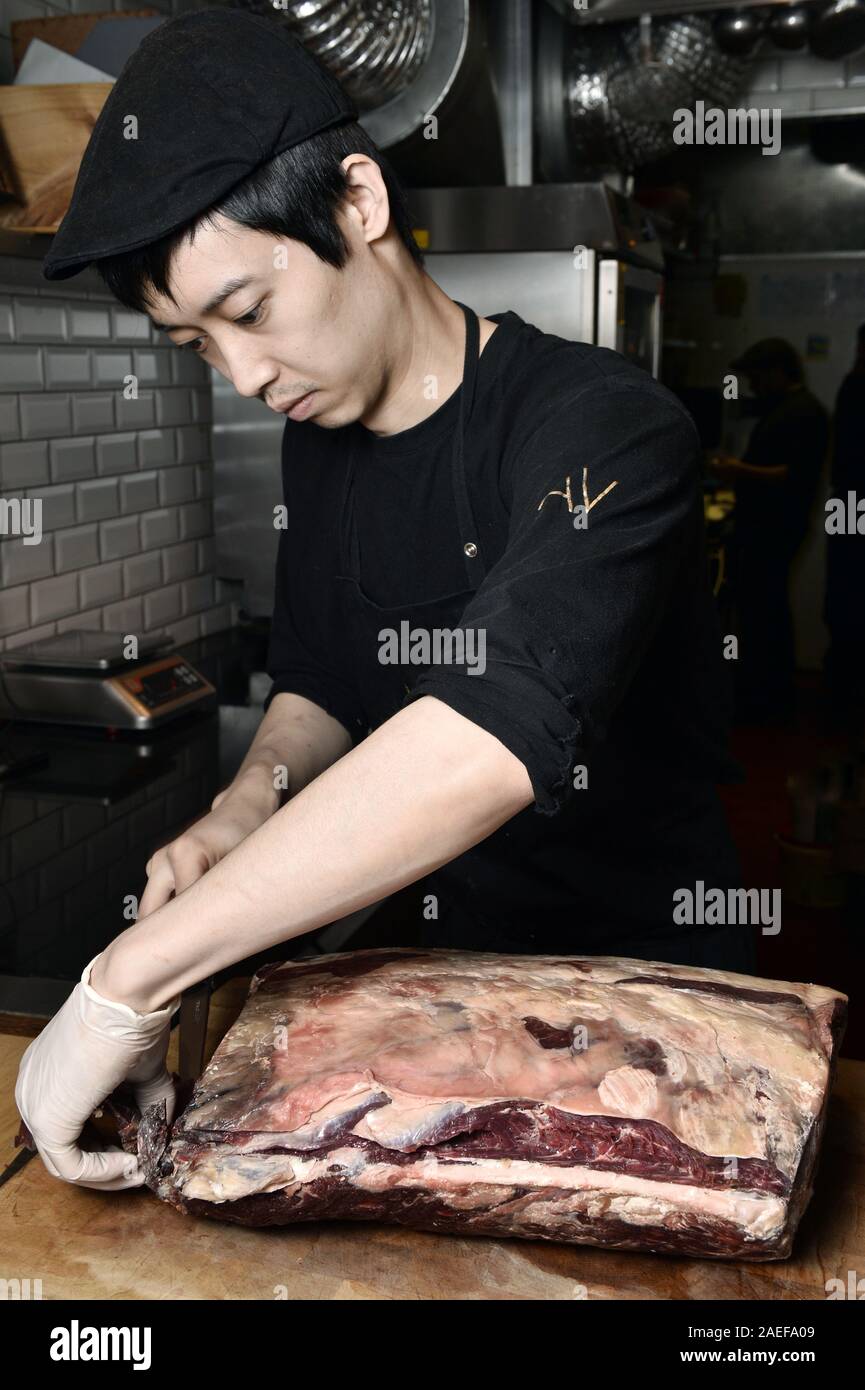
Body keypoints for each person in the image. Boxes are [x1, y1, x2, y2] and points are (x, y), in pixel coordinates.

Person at [16, 9, 753, 1193]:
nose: (246, 375)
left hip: (635, 1011)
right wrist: (246, 805)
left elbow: (488, 736)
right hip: (431, 1004)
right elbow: (317, 681)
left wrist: (130, 978)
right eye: (195, 344)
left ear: (359, 203)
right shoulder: (325, 438)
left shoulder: (601, 426)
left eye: (247, 311)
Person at [713, 339, 829, 723]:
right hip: (769, 526)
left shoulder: (804, 413)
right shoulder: (787, 408)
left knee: (766, 612)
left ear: (779, 372)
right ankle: (764, 692)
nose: (754, 385)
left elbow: (790, 474)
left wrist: (736, 470)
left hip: (776, 528)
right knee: (763, 610)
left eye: (759, 377)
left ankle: (768, 698)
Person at [824, 324, 865, 712]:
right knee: (844, 608)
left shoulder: (854, 388)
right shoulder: (853, 388)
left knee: (845, 606)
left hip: (851, 504)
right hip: (850, 504)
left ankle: (843, 701)